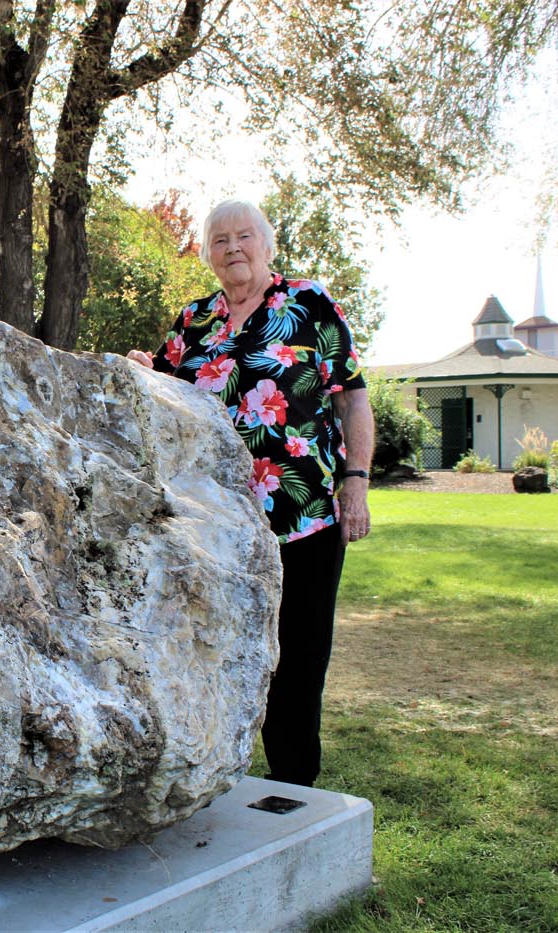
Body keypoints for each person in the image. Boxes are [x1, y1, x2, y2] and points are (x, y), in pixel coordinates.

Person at [127, 198, 374, 787]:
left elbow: (352, 397)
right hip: (214, 527)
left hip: (302, 516)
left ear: (267, 244)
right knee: (213, 651)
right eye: (219, 240)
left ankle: (293, 791)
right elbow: (164, 398)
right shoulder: (193, 323)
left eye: (244, 236)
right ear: (208, 254)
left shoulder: (310, 304)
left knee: (298, 657)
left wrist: (357, 481)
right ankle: (209, 781)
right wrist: (142, 367)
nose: (232, 247)